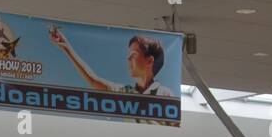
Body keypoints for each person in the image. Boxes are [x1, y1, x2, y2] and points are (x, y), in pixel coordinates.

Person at [48, 28, 176, 98]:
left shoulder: (166, 94)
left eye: (133, 56)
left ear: (149, 61)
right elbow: (93, 80)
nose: (128, 59)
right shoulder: (124, 92)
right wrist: (66, 47)